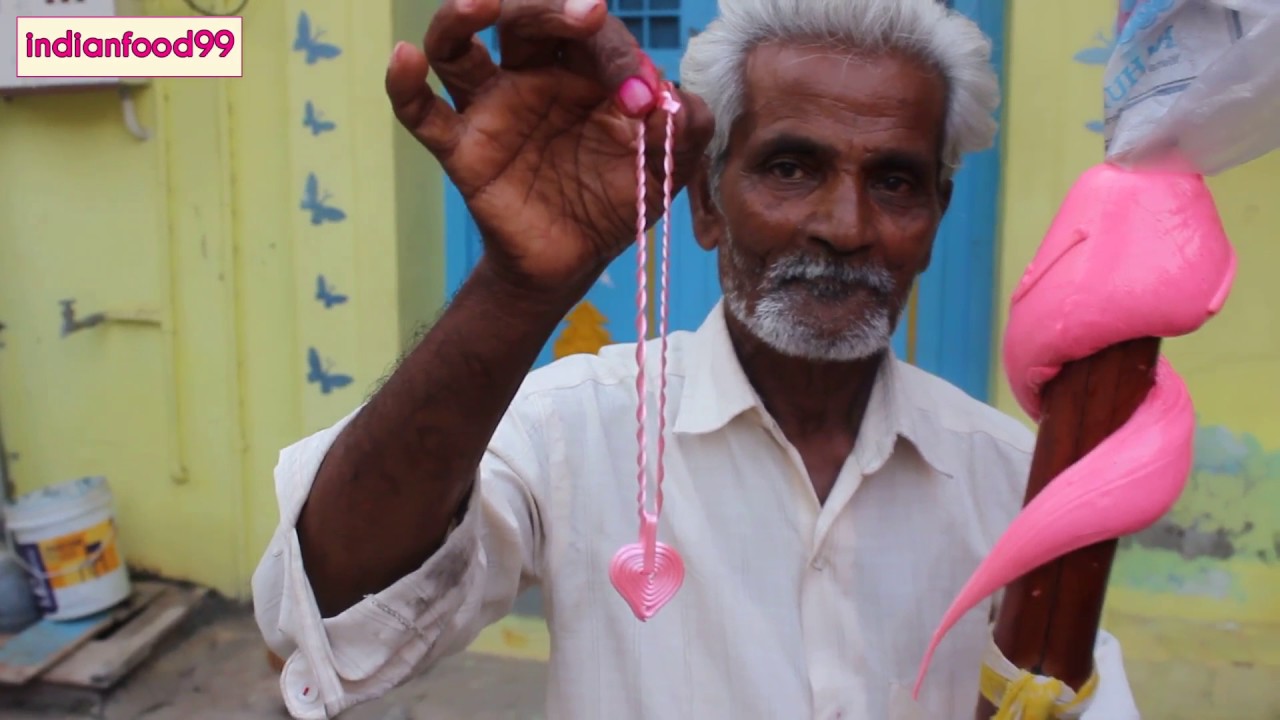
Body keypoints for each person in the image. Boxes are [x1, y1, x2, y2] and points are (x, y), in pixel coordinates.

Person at [252, 0, 1144, 718]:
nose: (846, 227)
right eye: (792, 168)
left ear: (938, 219)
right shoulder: (576, 426)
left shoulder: (1012, 479)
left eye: (896, 181)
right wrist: (515, 291)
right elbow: (324, 620)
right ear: (707, 207)